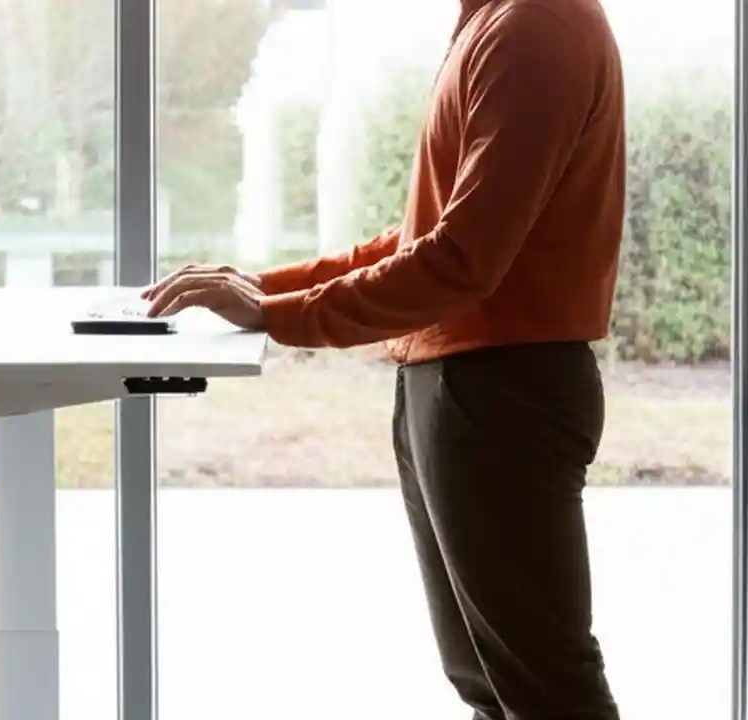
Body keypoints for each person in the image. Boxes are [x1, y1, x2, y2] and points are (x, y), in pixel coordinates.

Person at [144, 0, 625, 717]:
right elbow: (421, 236)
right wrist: (263, 289)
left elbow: (460, 259)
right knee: (491, 685)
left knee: (545, 692)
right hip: (467, 385)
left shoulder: (535, 28)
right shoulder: (497, 20)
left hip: (500, 394)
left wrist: (276, 314)